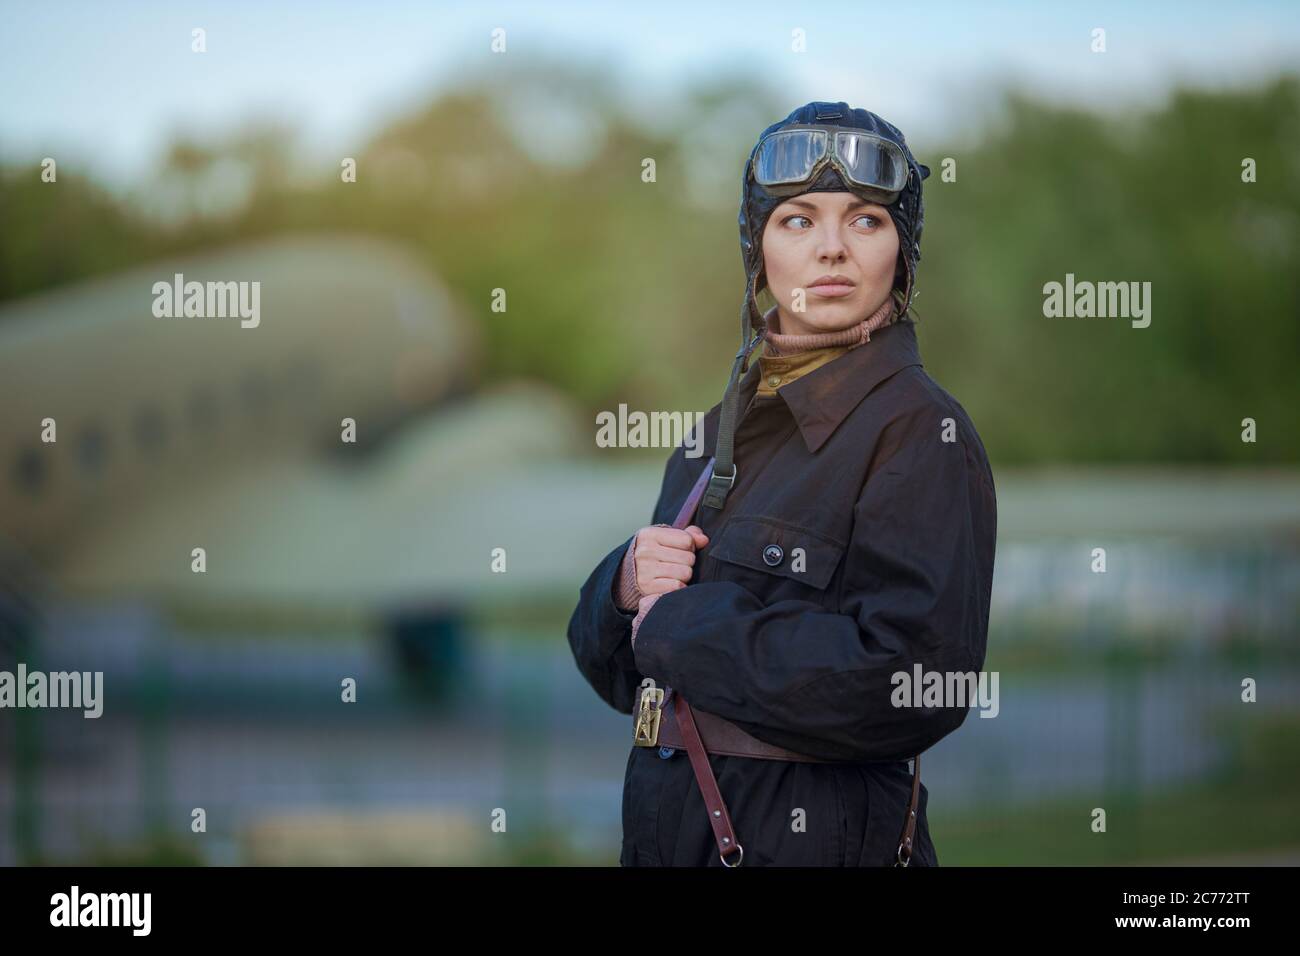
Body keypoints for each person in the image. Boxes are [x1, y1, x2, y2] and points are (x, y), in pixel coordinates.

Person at [567, 100, 997, 866]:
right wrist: (622, 587)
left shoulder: (920, 432)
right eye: (797, 220)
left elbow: (914, 684)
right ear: (757, 247)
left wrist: (683, 628)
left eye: (866, 220)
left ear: (902, 248)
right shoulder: (712, 437)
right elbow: (628, 682)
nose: (832, 249)